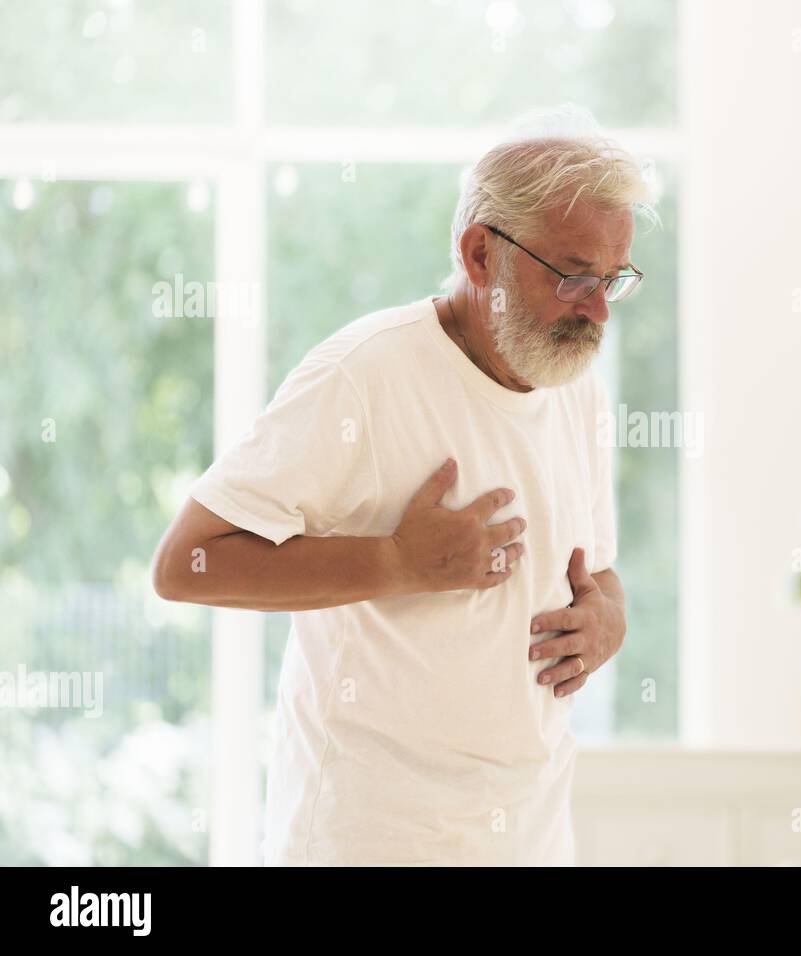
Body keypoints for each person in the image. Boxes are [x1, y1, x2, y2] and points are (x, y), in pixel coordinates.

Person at [151, 114, 656, 865]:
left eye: (612, 278)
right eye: (572, 274)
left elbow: (597, 571)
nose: (598, 308)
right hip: (367, 839)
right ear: (481, 253)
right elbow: (186, 563)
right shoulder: (364, 373)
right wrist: (394, 561)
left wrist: (608, 620)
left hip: (529, 837)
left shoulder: (572, 385)